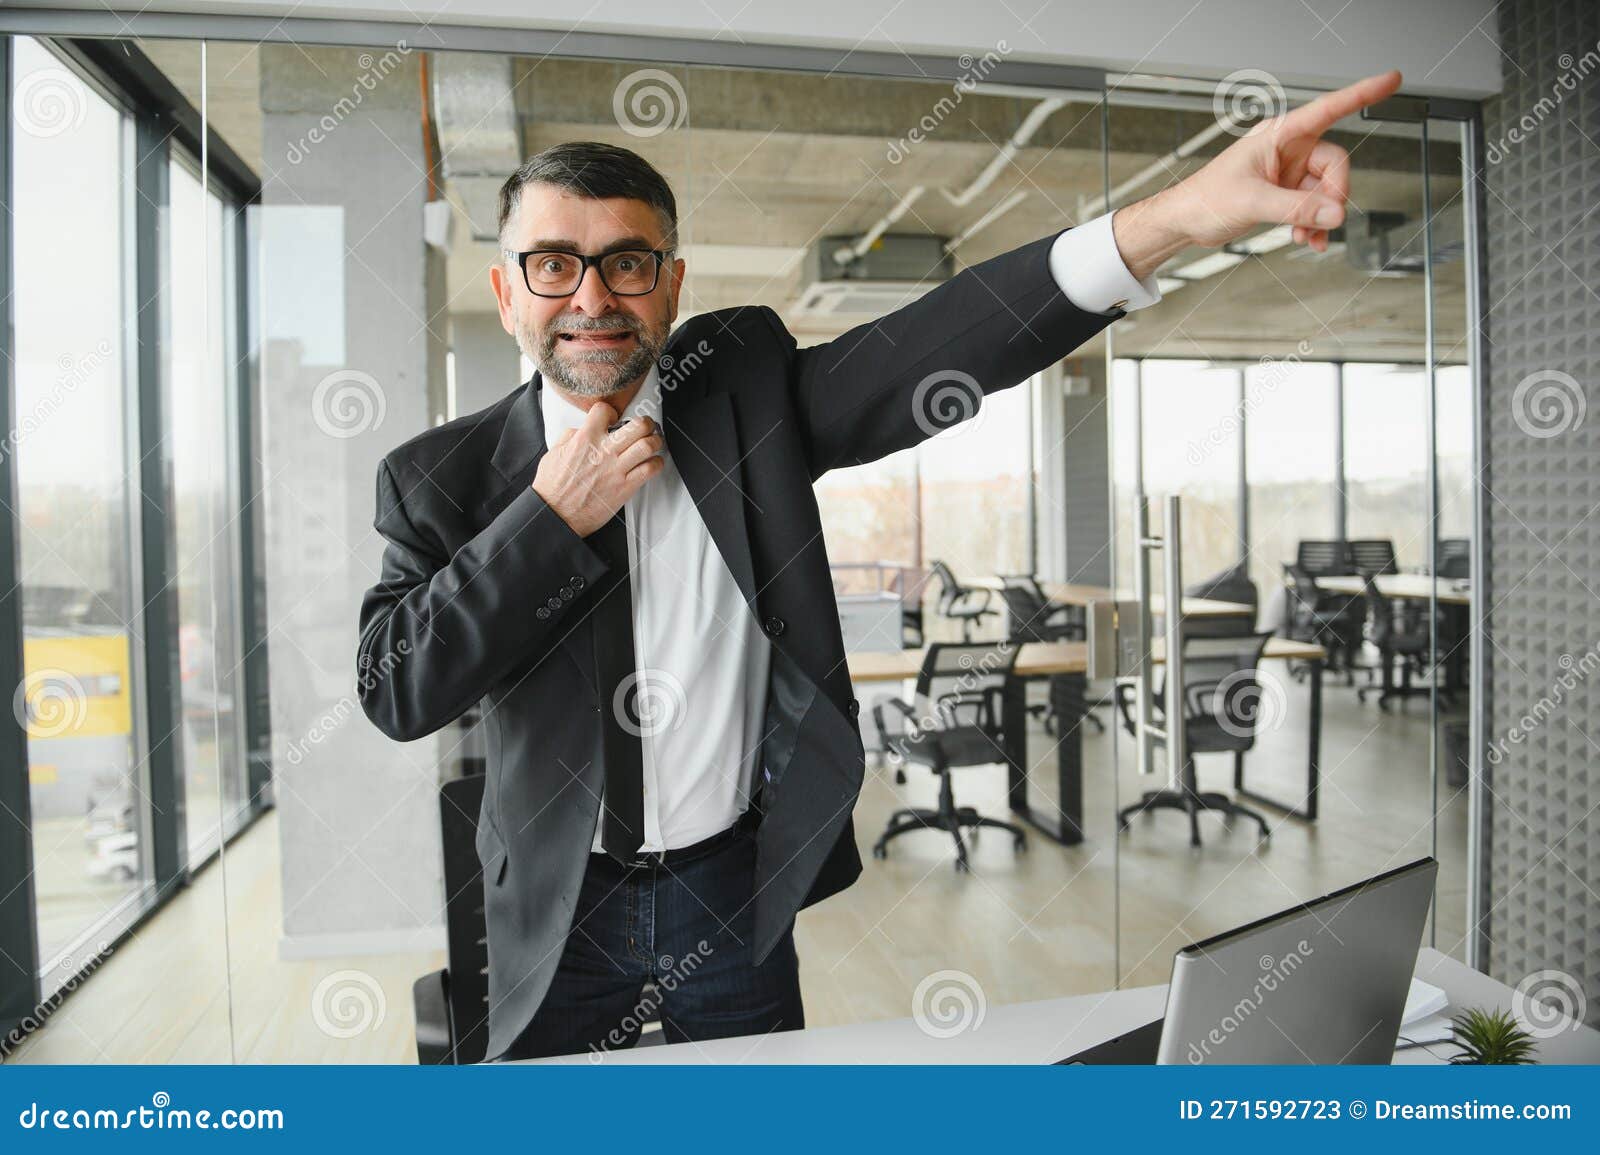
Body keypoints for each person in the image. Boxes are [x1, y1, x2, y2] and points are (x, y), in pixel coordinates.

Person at [356, 70, 1403, 1061]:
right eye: (553, 263)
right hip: (551, 903)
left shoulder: (743, 396)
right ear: (506, 291)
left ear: (670, 284)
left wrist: (1174, 218)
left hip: (731, 892)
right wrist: (548, 516)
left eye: (627, 261)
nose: (592, 296)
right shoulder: (436, 479)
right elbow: (399, 688)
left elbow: (937, 342)